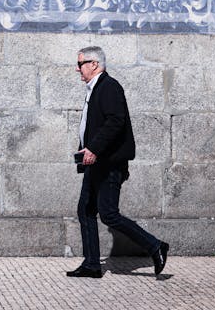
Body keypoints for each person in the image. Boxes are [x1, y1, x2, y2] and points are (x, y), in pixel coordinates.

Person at [67, 46, 169, 278]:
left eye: (80, 63)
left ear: (94, 64)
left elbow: (116, 121)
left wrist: (94, 148)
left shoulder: (109, 87)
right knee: (85, 210)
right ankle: (92, 264)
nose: (77, 68)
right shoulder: (96, 88)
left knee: (109, 214)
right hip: (96, 163)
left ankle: (156, 246)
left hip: (108, 164)